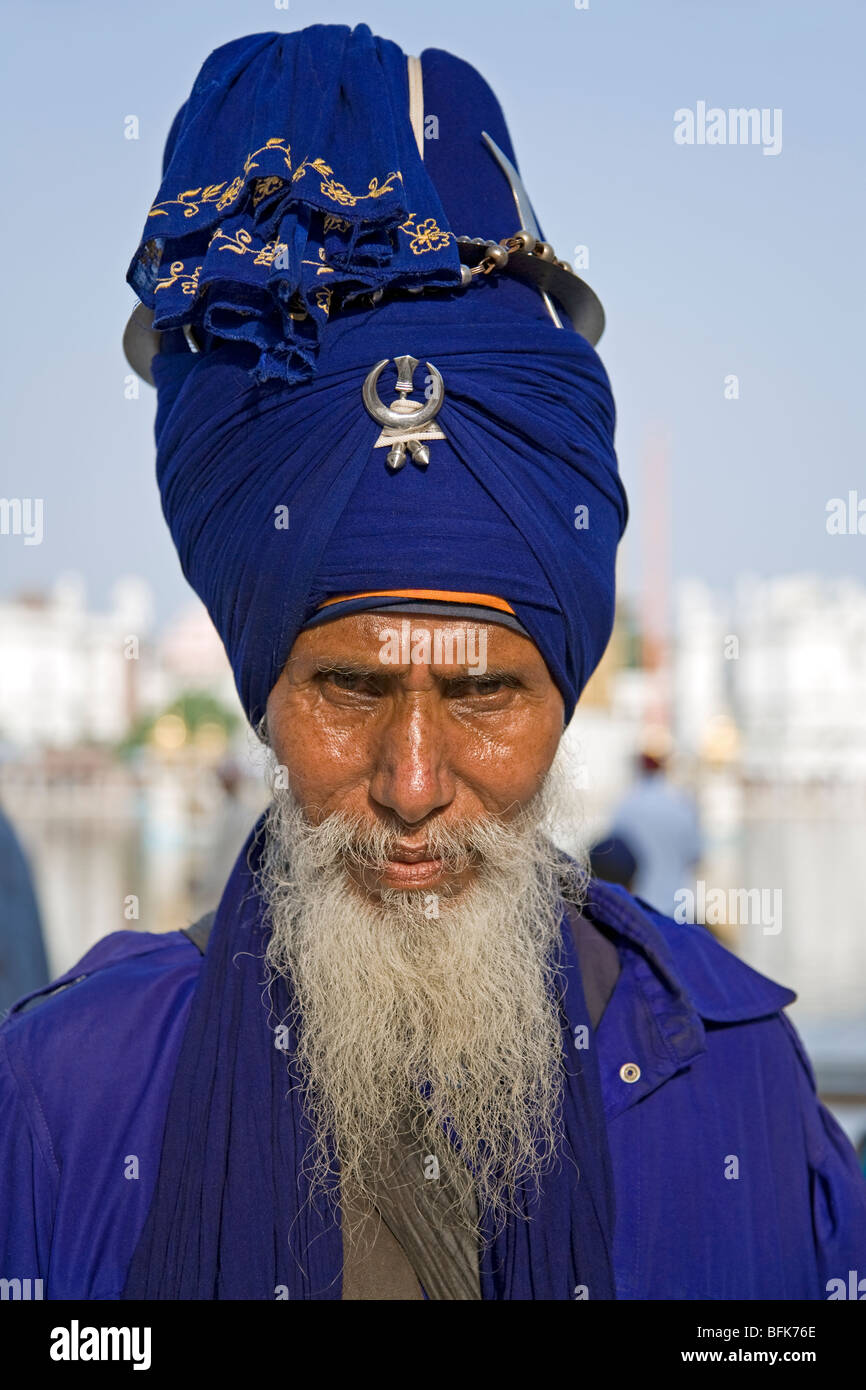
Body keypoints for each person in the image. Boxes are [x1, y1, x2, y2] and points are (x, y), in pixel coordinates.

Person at [1, 24, 864, 1301]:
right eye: (349, 688)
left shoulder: (731, 1086)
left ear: (562, 696)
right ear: (265, 690)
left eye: (480, 694)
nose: (412, 785)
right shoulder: (71, 1091)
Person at [609, 743, 703, 917]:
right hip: (677, 905)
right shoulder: (681, 804)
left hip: (638, 907)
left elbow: (613, 860)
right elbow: (696, 855)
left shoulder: (626, 805)